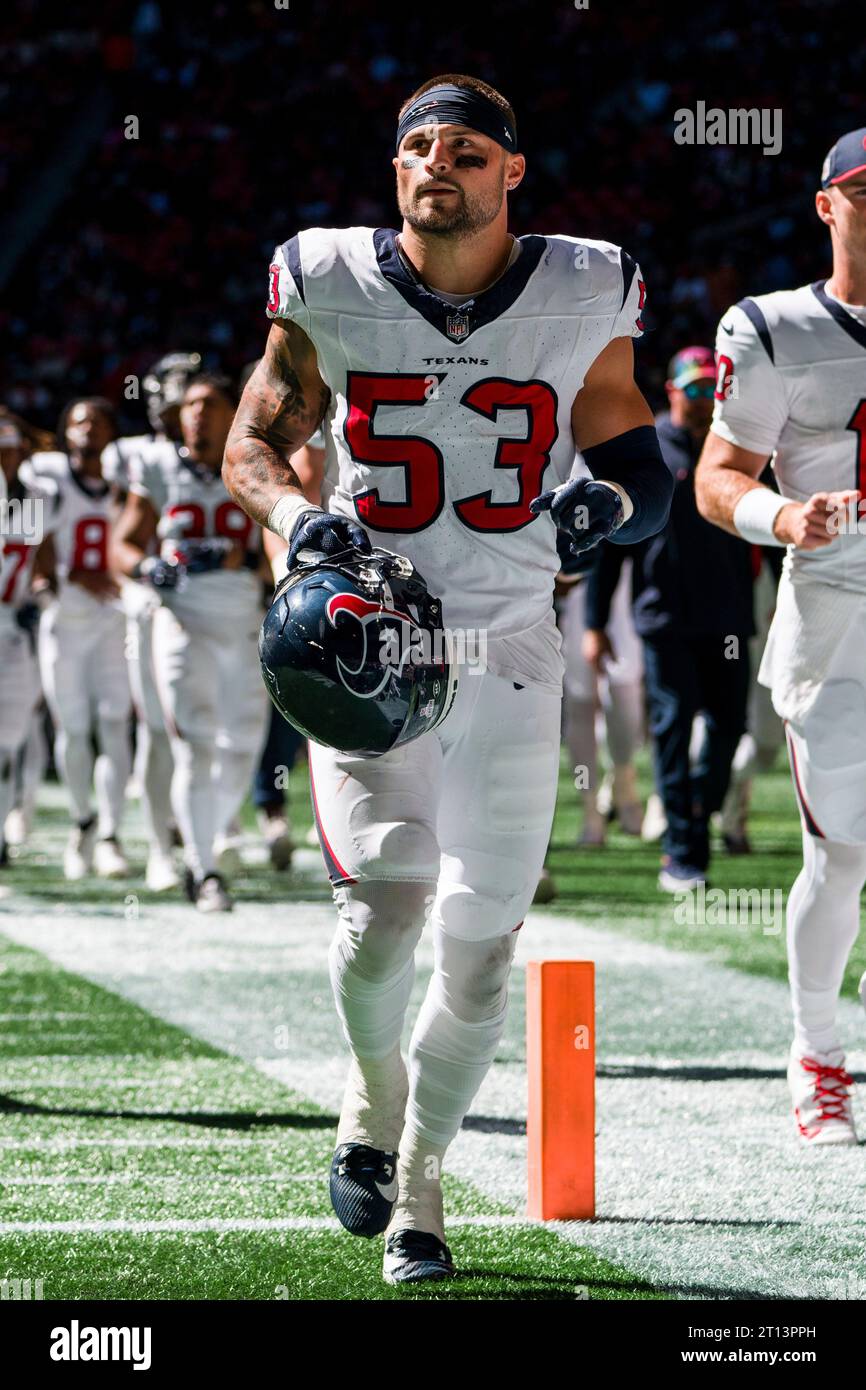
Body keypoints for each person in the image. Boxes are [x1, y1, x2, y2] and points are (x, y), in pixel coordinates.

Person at [222, 74, 672, 1283]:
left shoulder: (586, 283)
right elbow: (256, 438)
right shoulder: (326, 279)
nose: (438, 165)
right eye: (417, 146)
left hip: (512, 646)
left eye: (466, 149)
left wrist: (608, 505)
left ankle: (420, 1181)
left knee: (476, 949)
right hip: (375, 642)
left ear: (510, 172)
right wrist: (299, 519)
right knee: (384, 909)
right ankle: (370, 1107)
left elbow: (634, 451)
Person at [696, 128, 866, 1146]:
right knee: (839, 852)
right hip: (839, 615)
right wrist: (777, 516)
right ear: (824, 205)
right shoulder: (772, 328)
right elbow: (717, 476)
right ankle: (816, 1054)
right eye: (864, 191)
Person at [584, 346, 754, 890]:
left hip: (728, 619)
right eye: (695, 389)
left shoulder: (735, 452)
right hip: (665, 619)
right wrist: (594, 623)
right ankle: (683, 854)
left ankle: (694, 813)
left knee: (729, 731)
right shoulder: (649, 448)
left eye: (713, 390)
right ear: (674, 391)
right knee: (674, 729)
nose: (705, 401)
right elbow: (613, 546)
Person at [112, 374, 269, 912]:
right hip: (181, 622)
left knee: (245, 739)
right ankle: (203, 869)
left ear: (234, 411)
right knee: (195, 744)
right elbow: (124, 543)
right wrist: (148, 566)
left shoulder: (252, 460)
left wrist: (248, 562)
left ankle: (205, 824)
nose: (197, 414)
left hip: (245, 618)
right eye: (190, 406)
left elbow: (272, 539)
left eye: (209, 404)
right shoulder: (156, 465)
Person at [26, 399, 132, 880]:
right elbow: (24, 541)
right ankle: (82, 823)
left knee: (113, 724)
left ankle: (110, 833)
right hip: (66, 620)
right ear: (65, 433)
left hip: (113, 620)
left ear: (112, 431)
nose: (88, 429)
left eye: (98, 420)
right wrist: (70, 574)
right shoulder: (43, 479)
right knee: (72, 729)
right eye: (79, 421)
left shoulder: (127, 482)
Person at [0, 417, 56, 866]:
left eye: (9, 448)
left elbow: (41, 563)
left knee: (9, 739)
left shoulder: (33, 499)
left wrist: (41, 595)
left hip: (13, 627)